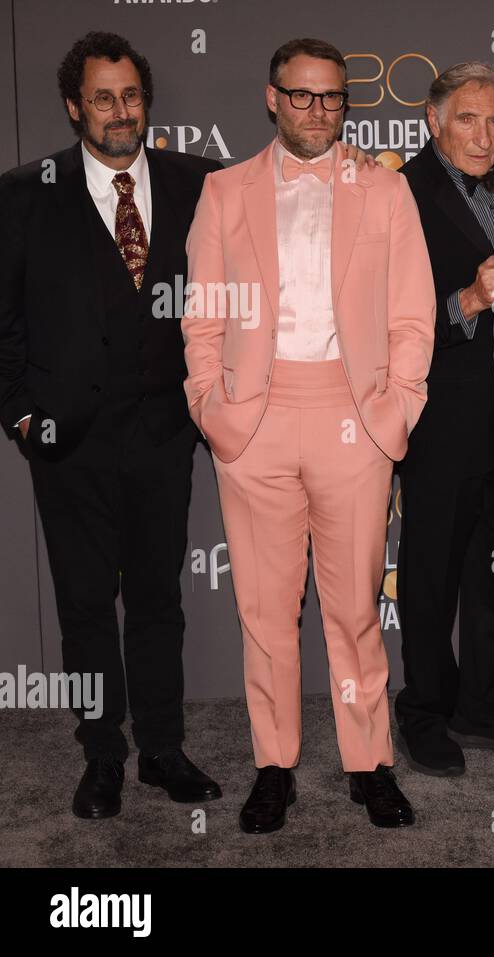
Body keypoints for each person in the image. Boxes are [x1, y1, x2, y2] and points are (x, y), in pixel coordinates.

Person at [182, 38, 435, 831]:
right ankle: (274, 764)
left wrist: (392, 412)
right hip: (252, 422)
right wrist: (214, 411)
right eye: (301, 96)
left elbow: (412, 314)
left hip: (352, 419)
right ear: (271, 97)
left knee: (355, 610)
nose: (318, 112)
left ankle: (369, 763)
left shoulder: (385, 193)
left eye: (331, 98)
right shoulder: (225, 191)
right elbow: (202, 315)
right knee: (263, 610)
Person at [0, 31, 222, 819]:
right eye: (103, 98)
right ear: (74, 107)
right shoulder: (24, 193)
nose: (120, 112)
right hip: (69, 443)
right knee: (86, 604)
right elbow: (4, 325)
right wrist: (25, 417)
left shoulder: (201, 183)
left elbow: (287, 197)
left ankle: (162, 748)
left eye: (130, 96)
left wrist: (358, 169)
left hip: (164, 433)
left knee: (160, 597)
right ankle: (102, 753)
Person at [394, 62, 494, 776]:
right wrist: (467, 301)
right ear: (433, 121)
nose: (484, 136)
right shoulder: (399, 192)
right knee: (430, 576)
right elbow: (380, 315)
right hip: (442, 415)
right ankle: (423, 709)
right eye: (466, 120)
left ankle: (485, 700)